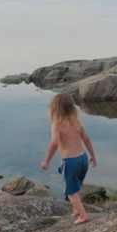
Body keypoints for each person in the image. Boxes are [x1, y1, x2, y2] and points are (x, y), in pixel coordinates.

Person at [40, 94, 98, 224]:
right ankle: (76, 210)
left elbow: (54, 143)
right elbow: (87, 139)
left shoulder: (57, 124)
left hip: (70, 162)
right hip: (83, 159)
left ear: (55, 108)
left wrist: (46, 161)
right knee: (76, 186)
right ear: (72, 107)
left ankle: (83, 216)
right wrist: (93, 156)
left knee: (71, 192)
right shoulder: (76, 121)